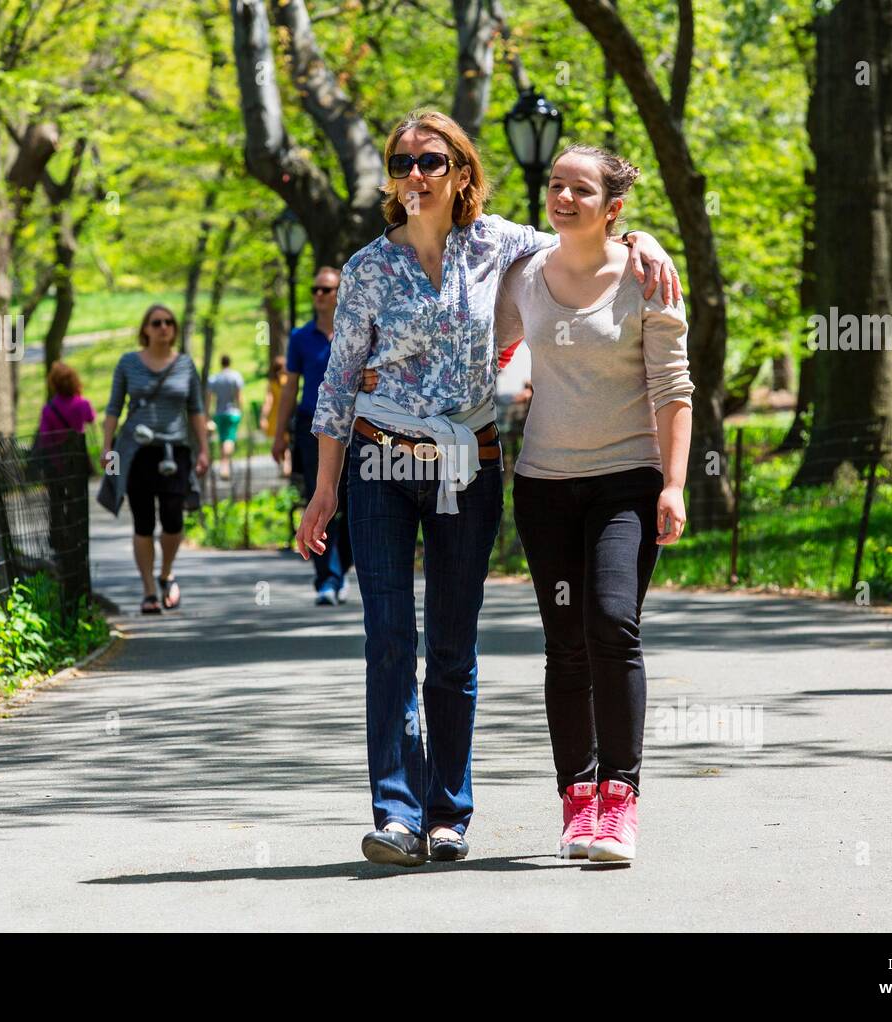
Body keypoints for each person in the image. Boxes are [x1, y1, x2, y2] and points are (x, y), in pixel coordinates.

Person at [296, 108, 680, 868]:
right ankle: (397, 813)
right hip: (380, 464)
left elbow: (587, 240)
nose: (414, 174)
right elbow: (339, 381)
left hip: (467, 465)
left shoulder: (501, 245)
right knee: (388, 640)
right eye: (401, 160)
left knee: (451, 643)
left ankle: (448, 816)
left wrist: (644, 238)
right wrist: (323, 486)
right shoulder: (370, 267)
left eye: (430, 161)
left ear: (461, 172)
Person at [495, 143, 693, 862]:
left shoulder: (648, 276)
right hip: (544, 486)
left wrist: (673, 483)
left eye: (580, 189)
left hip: (626, 481)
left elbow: (674, 386)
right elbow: (485, 344)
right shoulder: (524, 276)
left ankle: (621, 801)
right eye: (554, 185)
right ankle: (576, 800)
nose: (562, 198)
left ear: (613, 210)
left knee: (613, 625)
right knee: (566, 643)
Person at [98, 304, 209, 614]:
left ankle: (166, 573)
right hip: (135, 452)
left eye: (169, 323)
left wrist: (204, 449)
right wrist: (108, 449)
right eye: (156, 323)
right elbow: (112, 409)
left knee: (173, 518)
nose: (163, 327)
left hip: (175, 450)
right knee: (143, 522)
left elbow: (196, 409)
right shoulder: (128, 363)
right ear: (145, 329)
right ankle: (148, 589)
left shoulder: (185, 365)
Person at [272, 266, 354, 605]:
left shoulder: (355, 331)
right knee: (318, 499)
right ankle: (325, 578)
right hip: (312, 426)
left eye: (326, 289)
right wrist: (279, 434)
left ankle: (341, 568)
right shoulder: (300, 338)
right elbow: (290, 387)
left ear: (339, 293)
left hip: (353, 426)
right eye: (315, 290)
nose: (320, 295)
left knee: (352, 502)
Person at [36, 361, 96, 587]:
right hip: (77, 462)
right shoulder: (82, 404)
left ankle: (60, 538)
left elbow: (44, 436)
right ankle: (77, 532)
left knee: (56, 501)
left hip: (55, 463)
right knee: (77, 499)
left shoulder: (49, 409)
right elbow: (92, 418)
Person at [208, 355, 244, 480]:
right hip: (232, 412)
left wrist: (208, 413)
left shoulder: (214, 378)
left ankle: (225, 465)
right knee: (230, 439)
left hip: (219, 413)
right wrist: (240, 410)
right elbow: (239, 396)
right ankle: (225, 465)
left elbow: (209, 397)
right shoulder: (236, 377)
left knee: (223, 439)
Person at [261, 355, 291, 476]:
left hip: (275, 418)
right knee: (286, 443)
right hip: (287, 415)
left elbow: (268, 402)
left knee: (281, 442)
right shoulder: (288, 380)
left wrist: (263, 417)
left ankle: (285, 465)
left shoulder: (272, 383)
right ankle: (287, 465)